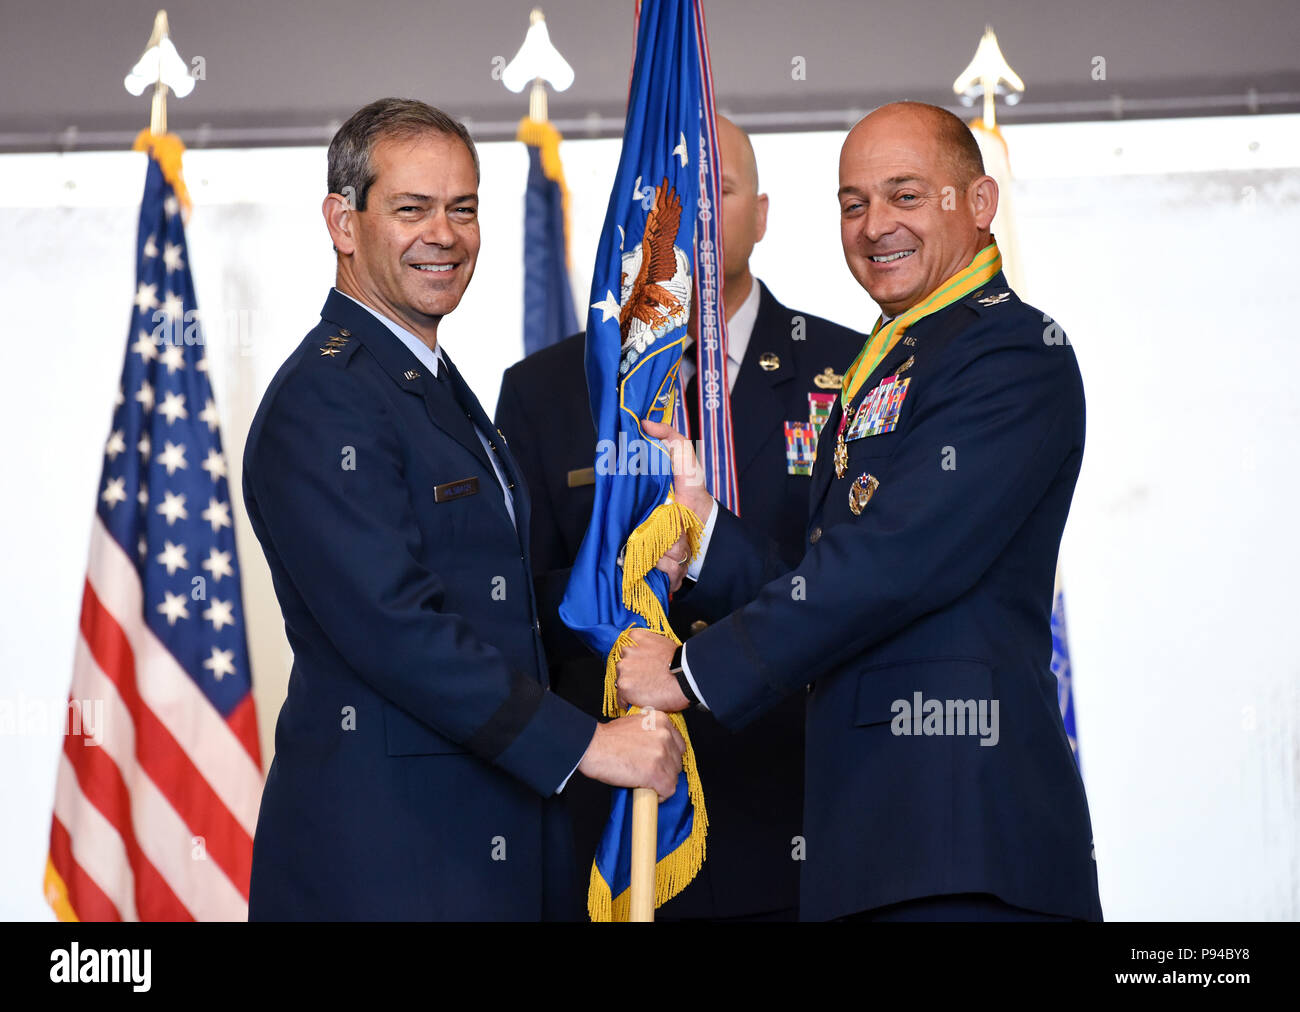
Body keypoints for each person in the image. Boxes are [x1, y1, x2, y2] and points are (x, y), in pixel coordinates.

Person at [616, 101, 1104, 922]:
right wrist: (707, 536)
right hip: (872, 843)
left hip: (960, 841)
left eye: (906, 196)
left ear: (978, 206)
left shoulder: (1012, 353)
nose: (875, 225)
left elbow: (894, 562)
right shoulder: (891, 359)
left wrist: (694, 672)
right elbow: (841, 582)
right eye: (854, 203)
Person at [241, 98, 684, 921]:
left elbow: (486, 595)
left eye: (463, 208)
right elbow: (397, 627)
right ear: (344, 221)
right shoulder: (326, 400)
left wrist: (622, 586)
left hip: (477, 846)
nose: (442, 234)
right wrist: (587, 742)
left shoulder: (422, 379)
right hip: (387, 862)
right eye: (411, 209)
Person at [495, 117, 865, 921]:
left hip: (796, 818)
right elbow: (512, 608)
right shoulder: (547, 387)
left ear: (761, 215)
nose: (694, 217)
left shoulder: (852, 372)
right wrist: (617, 594)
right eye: (672, 198)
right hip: (613, 834)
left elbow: (861, 591)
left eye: (719, 191)